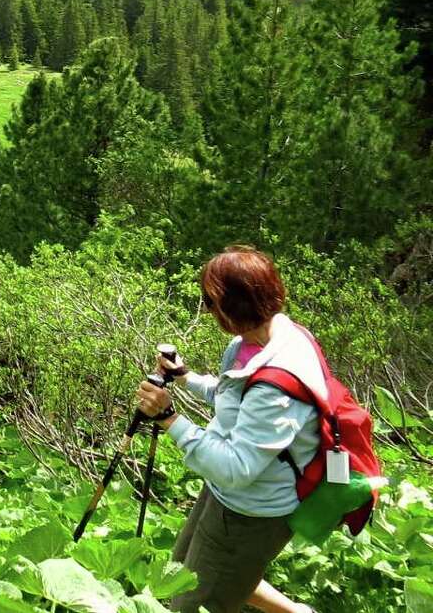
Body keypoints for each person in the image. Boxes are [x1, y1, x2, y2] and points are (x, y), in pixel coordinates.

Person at [134, 247, 320, 613]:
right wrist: (185, 378)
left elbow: (237, 469)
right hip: (228, 495)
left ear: (233, 306)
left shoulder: (277, 381)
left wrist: (168, 418)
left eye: (209, 301)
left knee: (192, 602)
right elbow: (233, 401)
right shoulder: (260, 340)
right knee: (185, 571)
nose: (206, 310)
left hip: (251, 509)